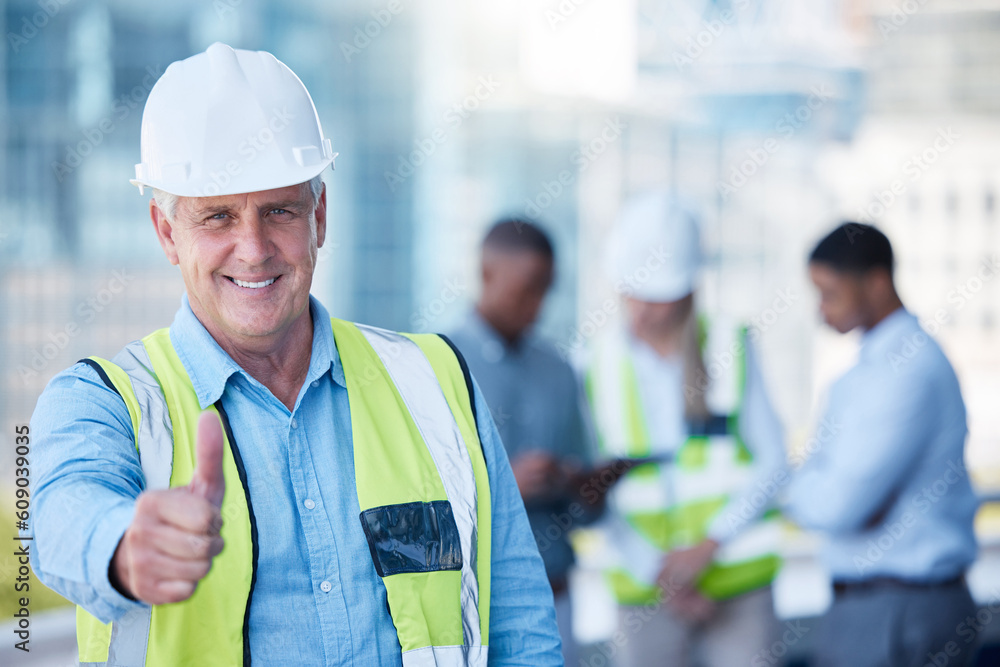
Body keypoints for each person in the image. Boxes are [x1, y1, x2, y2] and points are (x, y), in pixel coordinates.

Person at [27, 42, 560, 666]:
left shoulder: (436, 382)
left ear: (319, 217)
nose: (254, 249)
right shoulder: (103, 401)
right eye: (218, 217)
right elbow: (61, 515)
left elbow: (519, 625)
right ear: (168, 233)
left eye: (278, 211)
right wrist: (122, 546)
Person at [584, 191, 787, 667]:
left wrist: (709, 546)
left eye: (657, 297)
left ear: (687, 290)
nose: (642, 309)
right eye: (633, 292)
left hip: (737, 585)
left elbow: (774, 460)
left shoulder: (731, 345)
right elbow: (591, 487)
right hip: (643, 593)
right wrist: (660, 573)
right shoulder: (593, 363)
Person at [784, 222, 979, 667]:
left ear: (876, 282)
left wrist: (812, 482)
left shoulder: (906, 371)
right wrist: (823, 484)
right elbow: (839, 497)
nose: (821, 310)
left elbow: (839, 507)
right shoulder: (874, 369)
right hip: (885, 608)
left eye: (830, 294)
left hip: (896, 614)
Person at [447, 219, 598, 666]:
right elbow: (411, 495)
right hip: (468, 608)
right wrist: (504, 483)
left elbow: (587, 506)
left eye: (546, 291)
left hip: (556, 598)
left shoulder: (560, 369)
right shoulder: (433, 363)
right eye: (527, 290)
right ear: (487, 273)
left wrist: (580, 484)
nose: (538, 306)